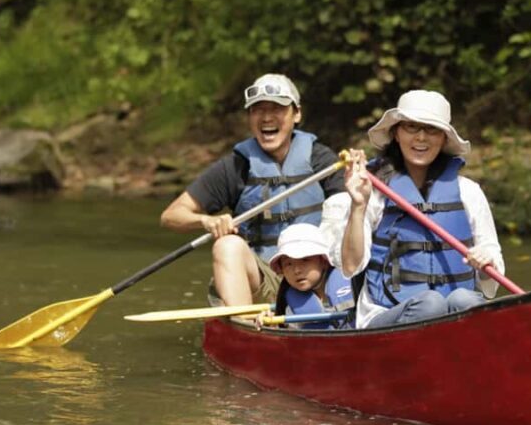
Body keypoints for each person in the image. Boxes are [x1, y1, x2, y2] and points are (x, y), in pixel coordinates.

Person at [160, 73, 344, 306]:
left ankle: (340, 307)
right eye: (257, 109)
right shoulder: (236, 167)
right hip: (265, 280)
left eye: (277, 108)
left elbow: (351, 213)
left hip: (318, 277)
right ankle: (246, 324)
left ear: (296, 114)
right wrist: (207, 221)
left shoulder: (321, 160)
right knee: (226, 245)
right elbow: (171, 216)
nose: (266, 117)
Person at [332, 89, 504, 329]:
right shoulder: (372, 192)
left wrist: (487, 262)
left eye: (431, 129)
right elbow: (350, 266)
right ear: (396, 133)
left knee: (465, 300)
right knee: (430, 304)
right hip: (385, 314)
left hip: (455, 312)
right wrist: (358, 205)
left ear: (444, 138)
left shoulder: (469, 192)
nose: (421, 137)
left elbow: (492, 278)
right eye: (411, 127)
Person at [265, 223, 355, 329]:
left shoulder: (357, 289)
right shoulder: (288, 311)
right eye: (288, 264)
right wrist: (271, 325)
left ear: (324, 261)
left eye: (305, 260)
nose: (297, 270)